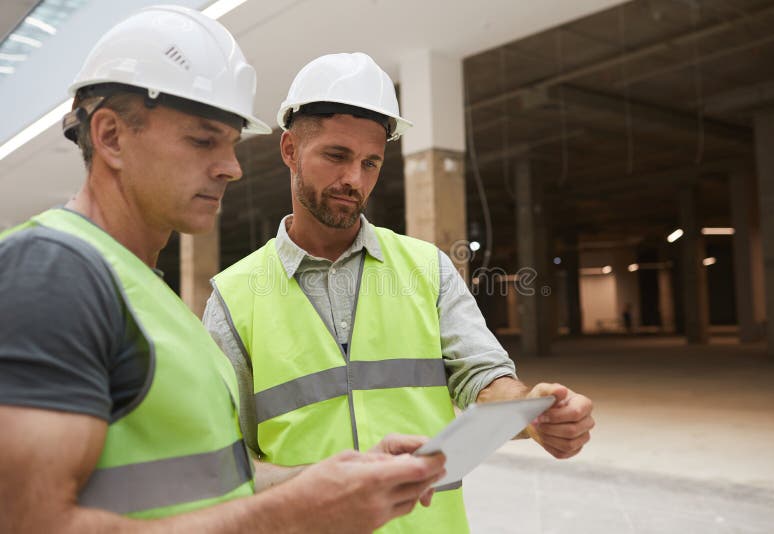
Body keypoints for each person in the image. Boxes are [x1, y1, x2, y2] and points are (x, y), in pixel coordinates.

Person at [0, 8, 447, 533]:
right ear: (111, 137)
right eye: (202, 140)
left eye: (232, 143)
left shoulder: (147, 292)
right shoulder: (52, 271)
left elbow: (212, 484)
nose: (232, 167)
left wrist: (332, 478)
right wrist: (291, 515)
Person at [204, 52, 596, 533]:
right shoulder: (234, 296)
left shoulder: (426, 268)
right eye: (336, 156)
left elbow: (483, 379)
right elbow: (223, 467)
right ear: (289, 150)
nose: (355, 179)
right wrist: (322, 485)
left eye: (371, 163)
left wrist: (533, 413)